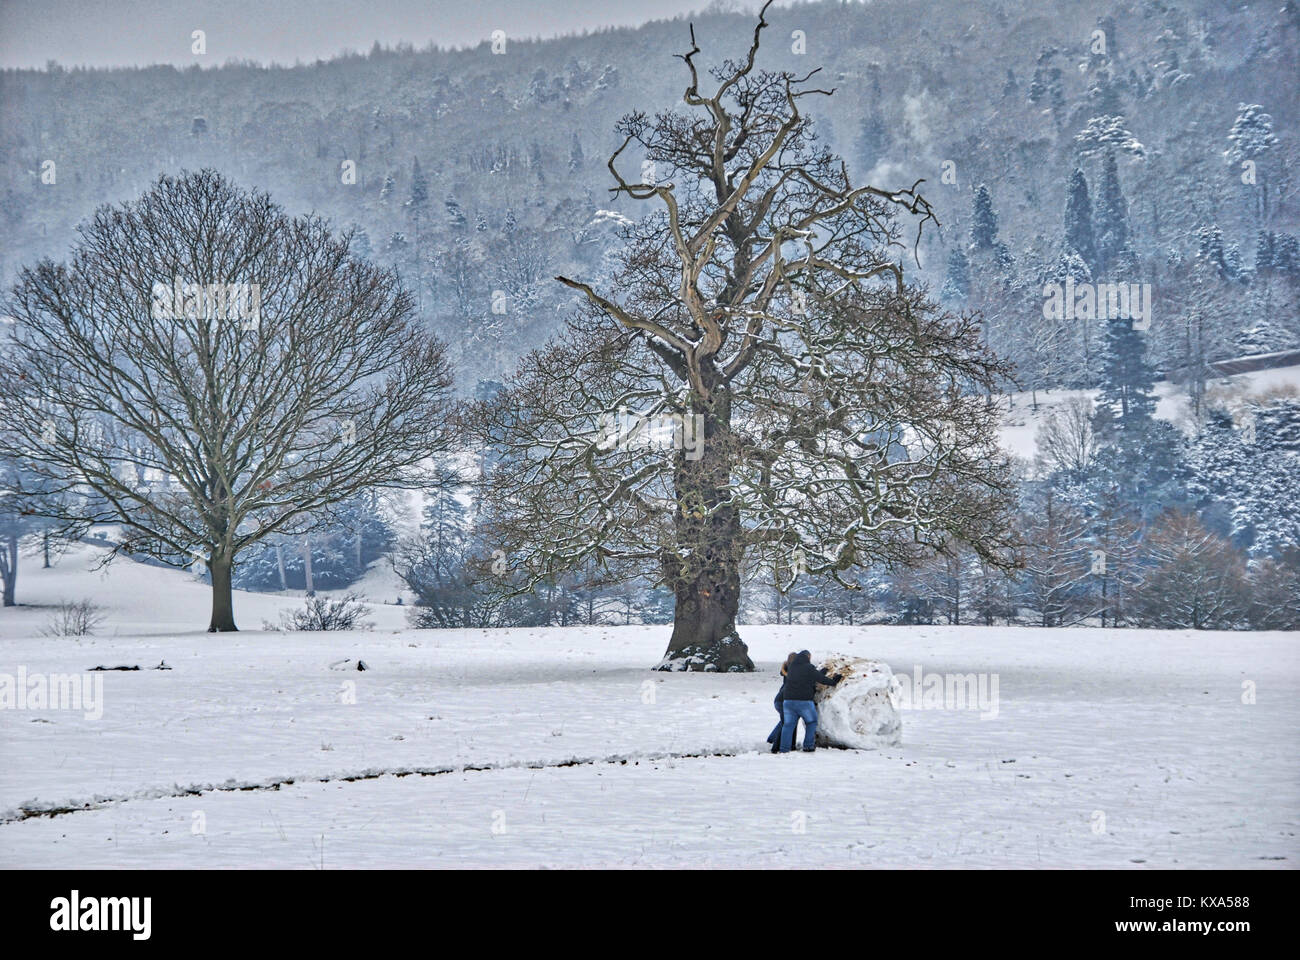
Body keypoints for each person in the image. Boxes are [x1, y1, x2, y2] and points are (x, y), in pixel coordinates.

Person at [778, 650, 842, 753]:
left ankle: (784, 749)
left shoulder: (792, 668)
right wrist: (834, 681)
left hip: (788, 701)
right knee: (811, 722)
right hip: (804, 702)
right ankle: (808, 746)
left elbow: (808, 677)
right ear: (807, 657)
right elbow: (820, 678)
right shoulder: (808, 667)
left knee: (788, 725)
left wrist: (820, 672)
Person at [766, 652, 799, 754]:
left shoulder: (787, 669)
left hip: (779, 699)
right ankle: (777, 746)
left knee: (785, 721)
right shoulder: (795, 672)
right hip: (783, 700)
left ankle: (772, 739)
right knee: (788, 722)